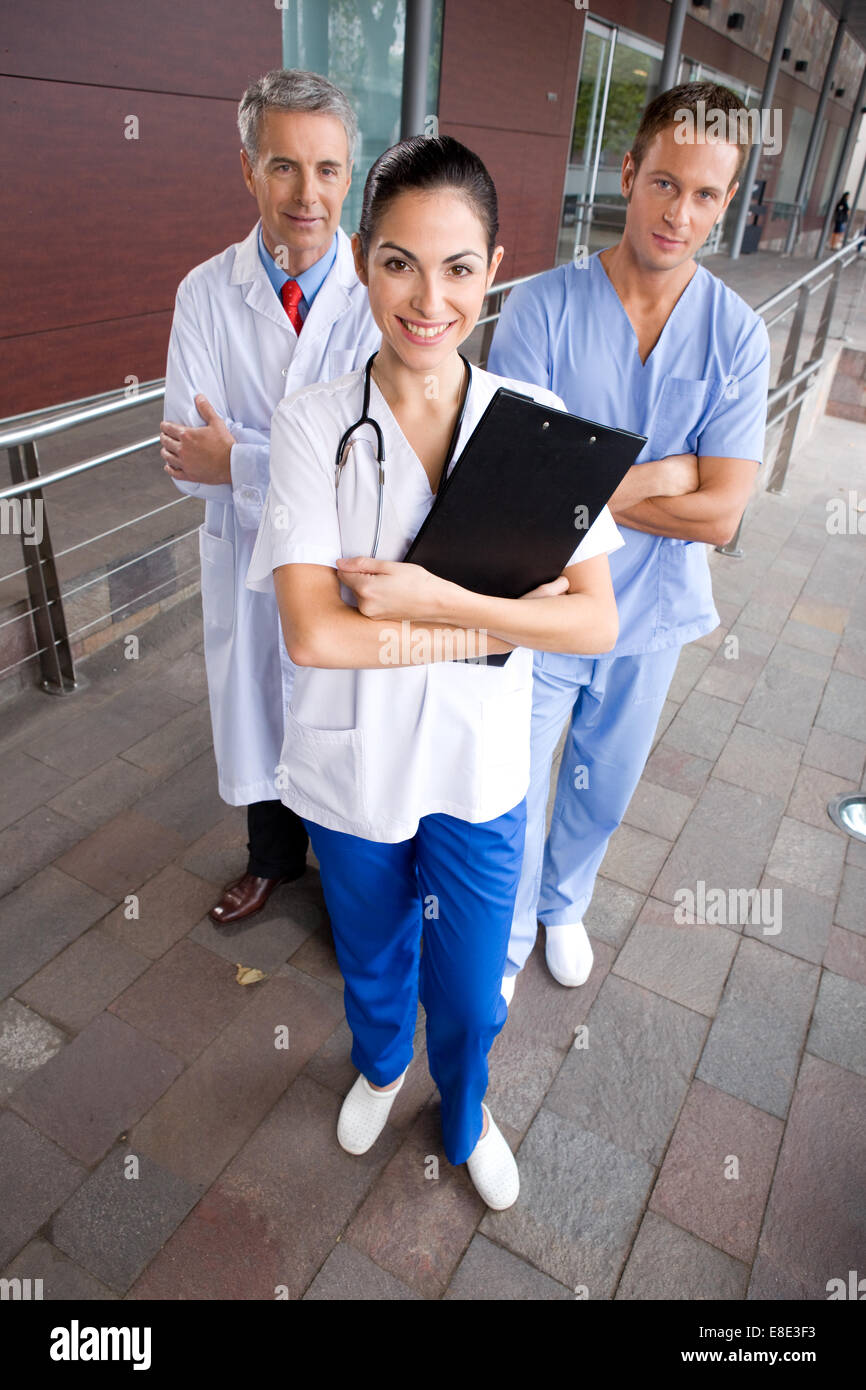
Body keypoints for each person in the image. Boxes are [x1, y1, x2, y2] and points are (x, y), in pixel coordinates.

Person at [245, 135, 624, 1207]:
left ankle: (463, 1108)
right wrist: (503, 623)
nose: (428, 297)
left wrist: (434, 601)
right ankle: (377, 1067)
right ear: (363, 261)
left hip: (475, 773)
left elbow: (593, 621)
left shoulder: (537, 432)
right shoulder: (314, 423)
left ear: (493, 267)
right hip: (353, 771)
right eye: (400, 262)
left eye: (458, 267)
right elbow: (313, 634)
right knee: (372, 968)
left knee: (465, 991)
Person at [487, 82, 771, 1000]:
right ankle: (503, 936)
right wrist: (669, 473)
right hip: (547, 600)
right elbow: (525, 484)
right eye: (664, 183)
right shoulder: (542, 307)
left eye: (704, 195)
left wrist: (593, 478)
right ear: (628, 172)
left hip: (652, 614)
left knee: (603, 787)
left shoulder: (738, 336)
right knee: (515, 785)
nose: (678, 213)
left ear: (726, 205)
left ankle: (563, 905)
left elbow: (724, 516)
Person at [161, 70, 380, 925]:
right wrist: (298, 460)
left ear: (349, 173)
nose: (307, 193)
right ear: (247, 168)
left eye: (328, 169)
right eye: (284, 166)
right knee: (262, 707)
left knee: (338, 717)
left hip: (346, 564)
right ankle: (271, 863)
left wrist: (243, 460)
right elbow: (186, 461)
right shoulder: (205, 295)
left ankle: (351, 882)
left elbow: (370, 469)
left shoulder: (377, 297)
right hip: (249, 567)